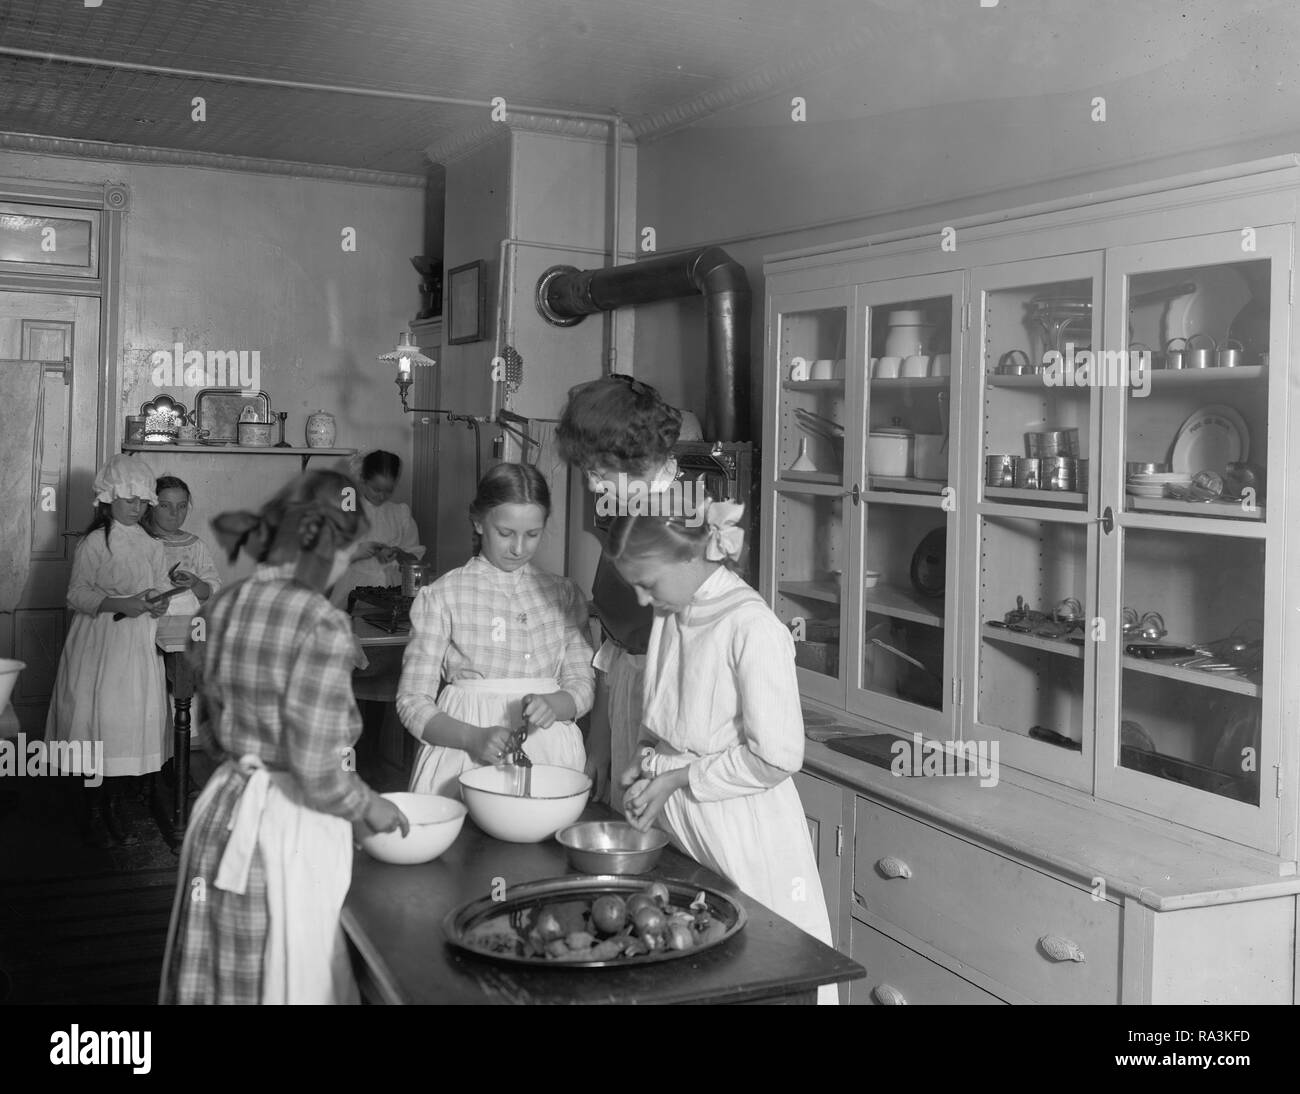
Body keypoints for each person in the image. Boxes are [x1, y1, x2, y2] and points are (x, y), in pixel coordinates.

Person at [159, 470, 408, 1005]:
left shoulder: (224, 605)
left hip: (226, 810)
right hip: (284, 830)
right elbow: (319, 768)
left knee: (227, 979)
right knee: (290, 975)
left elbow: (211, 724)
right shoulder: (320, 622)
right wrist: (368, 806)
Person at [607, 498, 838, 1005]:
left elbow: (777, 757)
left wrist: (677, 778)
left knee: (753, 963)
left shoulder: (753, 627)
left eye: (648, 583)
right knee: (692, 963)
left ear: (692, 558)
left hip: (736, 827)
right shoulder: (676, 608)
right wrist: (645, 757)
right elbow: (668, 710)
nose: (645, 601)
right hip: (684, 823)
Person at [397, 463, 594, 798]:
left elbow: (583, 685)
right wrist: (472, 738)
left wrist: (556, 704)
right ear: (478, 522)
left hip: (550, 757)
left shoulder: (563, 595)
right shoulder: (444, 595)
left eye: (532, 534)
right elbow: (412, 701)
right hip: (461, 755)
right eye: (505, 533)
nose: (519, 548)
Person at [555, 375, 683, 807]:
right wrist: (601, 738)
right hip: (629, 694)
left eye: (598, 472)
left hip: (677, 723)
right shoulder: (625, 511)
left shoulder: (688, 528)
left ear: (638, 457)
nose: (592, 486)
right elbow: (615, 638)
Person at [45, 455, 171, 847]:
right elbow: (77, 594)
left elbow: (158, 585)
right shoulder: (95, 542)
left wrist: (158, 601)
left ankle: (114, 801)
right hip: (101, 641)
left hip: (137, 644)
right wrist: (121, 604)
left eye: (142, 502)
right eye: (129, 500)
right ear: (108, 499)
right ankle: (93, 804)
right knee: (97, 719)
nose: (137, 508)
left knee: (127, 725)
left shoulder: (152, 544)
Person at [329, 449, 425, 609]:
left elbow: (414, 560)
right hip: (352, 591)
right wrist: (359, 551)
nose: (381, 496)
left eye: (388, 491)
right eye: (376, 489)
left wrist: (399, 553)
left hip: (391, 594)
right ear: (363, 480)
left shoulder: (400, 514)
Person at [144, 475, 221, 616]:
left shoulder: (195, 545)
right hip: (144, 627)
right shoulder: (138, 542)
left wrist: (195, 583)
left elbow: (214, 591)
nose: (175, 513)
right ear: (151, 505)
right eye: (165, 505)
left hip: (184, 628)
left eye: (182, 506)